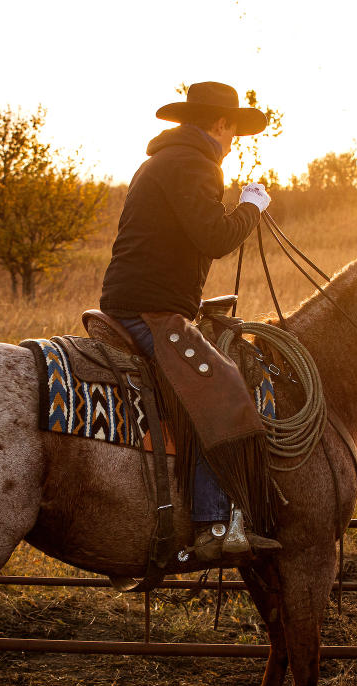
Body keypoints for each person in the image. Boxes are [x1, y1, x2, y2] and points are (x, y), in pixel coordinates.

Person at [99, 81, 279, 563]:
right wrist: (250, 207)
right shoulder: (196, 164)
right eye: (233, 131)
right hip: (151, 310)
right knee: (221, 387)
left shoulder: (160, 162)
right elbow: (214, 237)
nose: (233, 140)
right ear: (219, 125)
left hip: (132, 301)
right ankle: (212, 525)